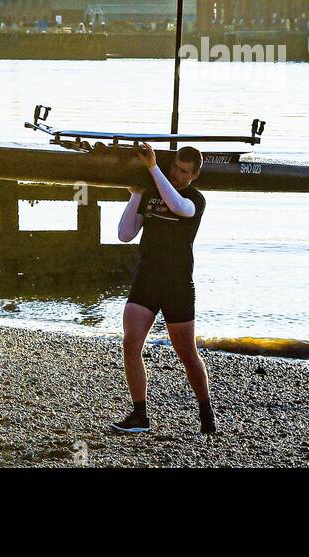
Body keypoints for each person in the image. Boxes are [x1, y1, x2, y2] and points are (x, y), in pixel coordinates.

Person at [110, 142, 215, 435]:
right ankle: (139, 415)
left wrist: (153, 168)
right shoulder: (153, 191)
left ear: (194, 175)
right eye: (174, 168)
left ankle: (206, 413)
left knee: (186, 352)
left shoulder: (195, 199)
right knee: (131, 344)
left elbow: (179, 207)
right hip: (147, 279)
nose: (177, 174)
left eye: (183, 171)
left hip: (177, 284)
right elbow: (125, 234)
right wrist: (137, 195)